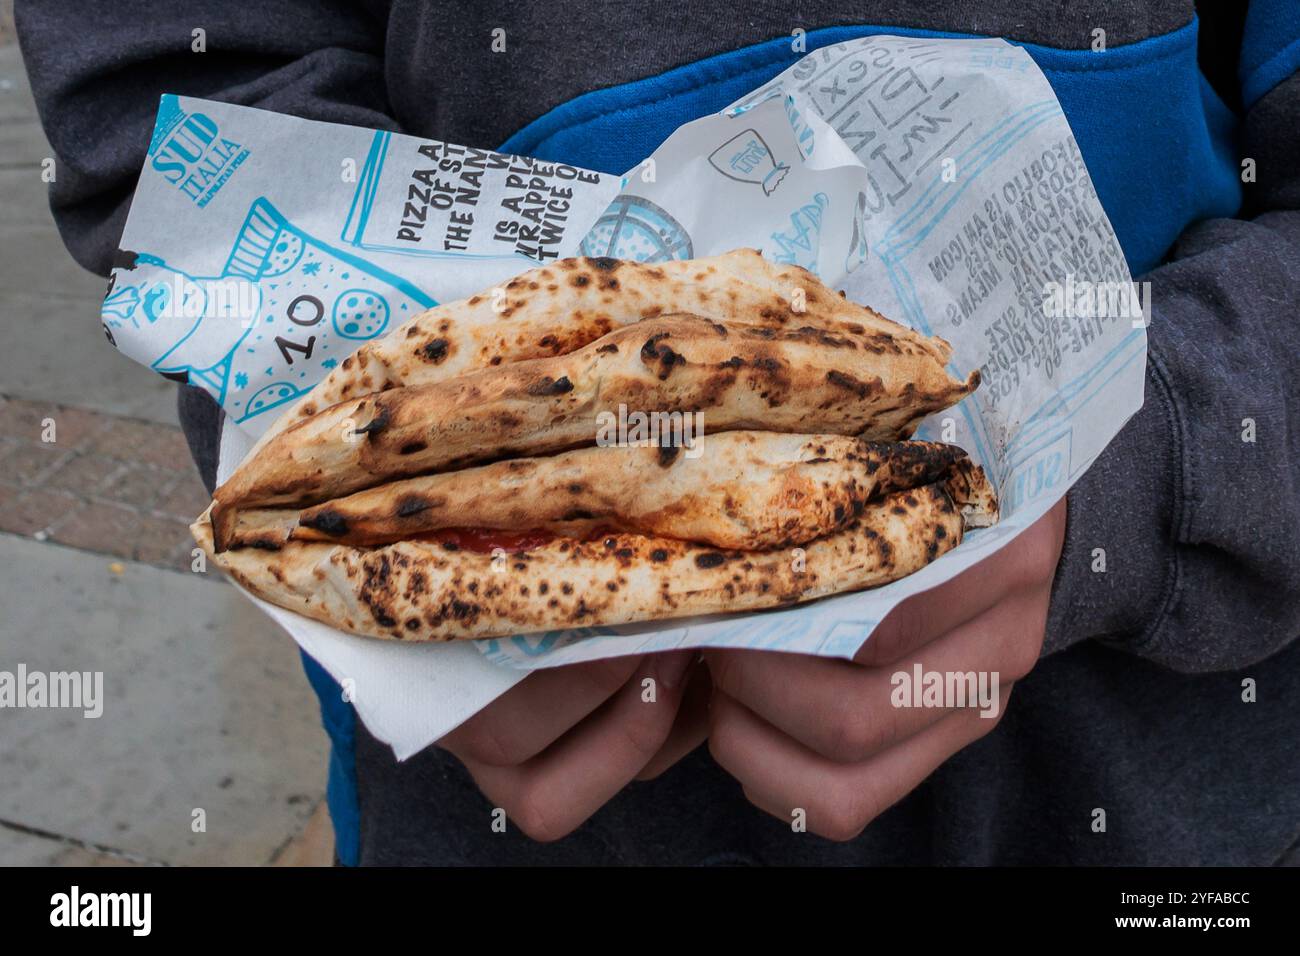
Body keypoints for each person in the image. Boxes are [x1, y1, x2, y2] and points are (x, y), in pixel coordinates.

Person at [16, 0, 1300, 865]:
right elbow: (191, 79)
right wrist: (394, 466)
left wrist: (1145, 462)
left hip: (1177, 800)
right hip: (498, 792)